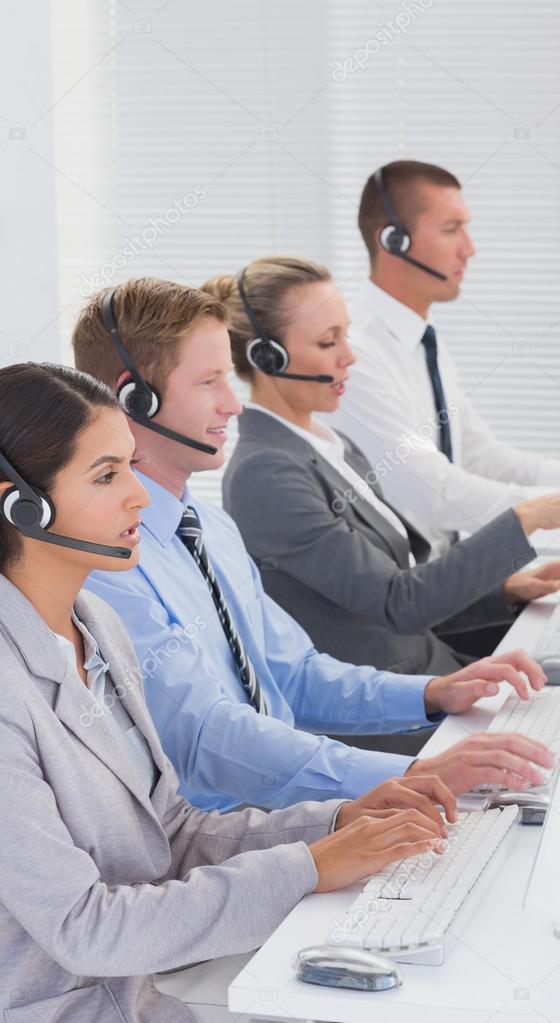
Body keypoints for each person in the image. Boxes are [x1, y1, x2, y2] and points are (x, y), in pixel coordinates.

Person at [0, 361, 461, 1023]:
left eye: (130, 465)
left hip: (140, 998)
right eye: (106, 475)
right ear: (20, 505)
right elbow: (86, 927)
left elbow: (172, 832)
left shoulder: (94, 627)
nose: (138, 495)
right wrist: (307, 867)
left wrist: (334, 820)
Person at [73, 277, 554, 813]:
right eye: (209, 382)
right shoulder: (106, 565)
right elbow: (208, 736)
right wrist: (411, 773)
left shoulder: (210, 529)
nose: (233, 406)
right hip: (223, 837)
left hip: (292, 809)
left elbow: (293, 673)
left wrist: (429, 695)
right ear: (133, 398)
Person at [209, 256, 560, 676]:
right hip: (381, 707)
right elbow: (398, 602)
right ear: (267, 357)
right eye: (329, 343)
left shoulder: (330, 445)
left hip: (427, 670)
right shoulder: (268, 475)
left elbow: (388, 588)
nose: (350, 357)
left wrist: (505, 591)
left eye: (346, 336)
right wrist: (527, 518)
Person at [326, 159, 560, 553]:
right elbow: (433, 492)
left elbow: (478, 455)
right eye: (451, 230)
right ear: (393, 241)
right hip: (407, 595)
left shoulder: (422, 341)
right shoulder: (355, 355)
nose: (469, 249)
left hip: (442, 584)